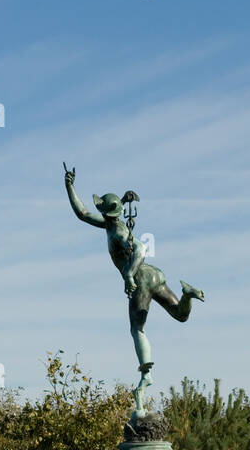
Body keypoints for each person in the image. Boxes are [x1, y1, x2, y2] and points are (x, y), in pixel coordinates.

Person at [64, 164, 204, 411]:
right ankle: (187, 295)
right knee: (180, 315)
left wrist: (128, 276)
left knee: (136, 329)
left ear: (106, 213)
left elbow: (140, 249)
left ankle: (146, 372)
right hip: (153, 274)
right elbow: (83, 213)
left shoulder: (115, 230)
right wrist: (70, 187)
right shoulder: (112, 225)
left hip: (140, 281)